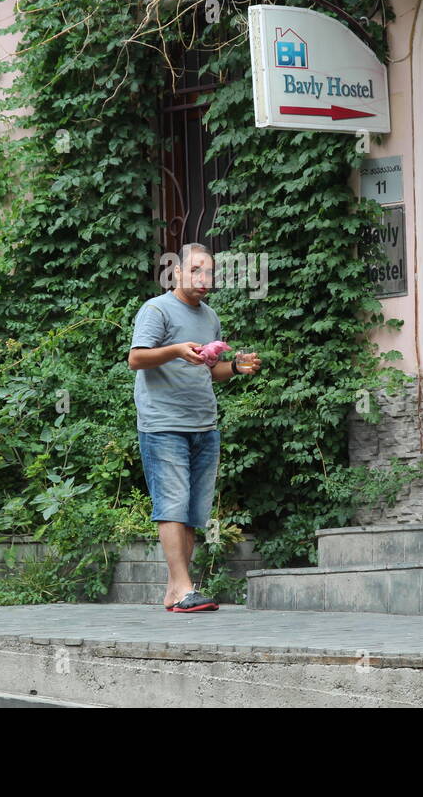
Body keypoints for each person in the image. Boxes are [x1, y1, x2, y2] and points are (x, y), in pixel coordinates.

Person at [128, 242, 261, 612]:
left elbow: (208, 369)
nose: (205, 279)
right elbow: (136, 358)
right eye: (197, 271)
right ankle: (186, 589)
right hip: (163, 423)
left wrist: (235, 367)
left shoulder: (209, 316)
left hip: (204, 424)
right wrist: (174, 349)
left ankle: (176, 591)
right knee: (171, 505)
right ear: (177, 272)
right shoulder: (156, 309)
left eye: (211, 273)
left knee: (190, 511)